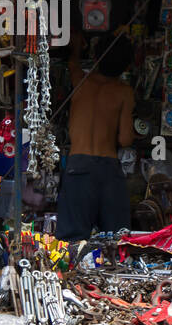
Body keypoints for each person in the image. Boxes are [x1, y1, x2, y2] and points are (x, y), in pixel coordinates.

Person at [56, 32, 135, 240]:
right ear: (126, 65)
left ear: (97, 57)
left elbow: (72, 61)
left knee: (72, 240)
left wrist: (75, 46)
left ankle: (72, 272)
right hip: (108, 168)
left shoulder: (80, 81)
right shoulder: (124, 92)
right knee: (116, 239)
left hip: (78, 166)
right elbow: (125, 139)